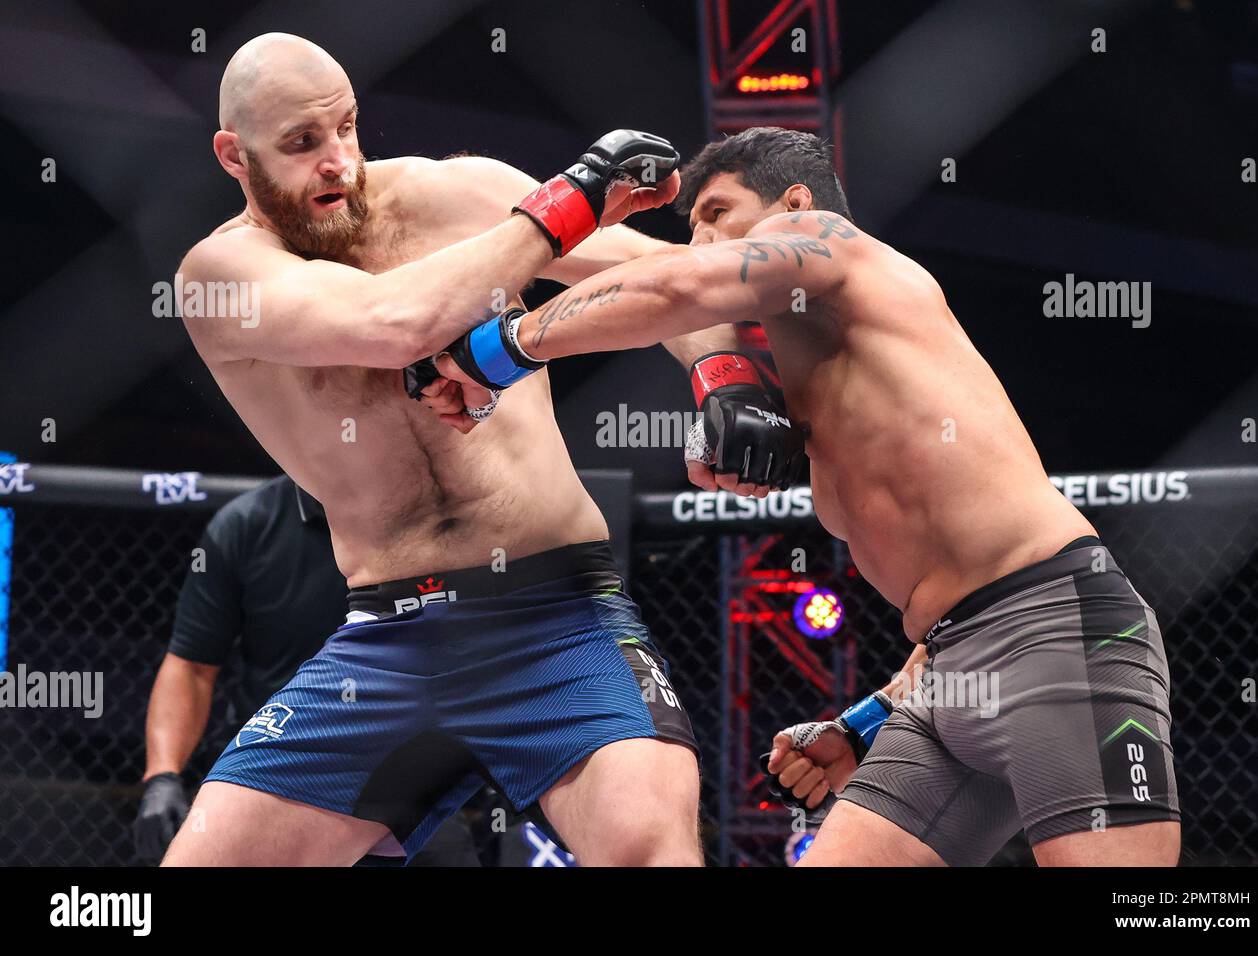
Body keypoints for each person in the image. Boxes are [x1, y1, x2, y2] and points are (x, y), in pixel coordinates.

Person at [426, 126, 1181, 867]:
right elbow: (953, 595)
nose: (699, 243)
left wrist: (495, 349)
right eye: (691, 229)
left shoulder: (831, 242)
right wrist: (871, 716)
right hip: (948, 669)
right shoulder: (817, 392)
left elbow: (675, 288)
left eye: (715, 213)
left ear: (791, 202)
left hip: (1060, 635)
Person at [162, 33, 802, 867]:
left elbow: (674, 282)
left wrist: (724, 375)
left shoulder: (459, 193)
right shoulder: (221, 275)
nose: (337, 162)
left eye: (347, 129)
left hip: (558, 617)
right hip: (387, 643)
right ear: (232, 156)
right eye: (301, 144)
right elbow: (391, 325)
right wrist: (565, 205)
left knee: (653, 853)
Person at [135, 476, 481, 866]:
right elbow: (192, 665)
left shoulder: (428, 519)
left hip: (409, 778)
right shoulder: (248, 524)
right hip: (283, 772)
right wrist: (162, 774)